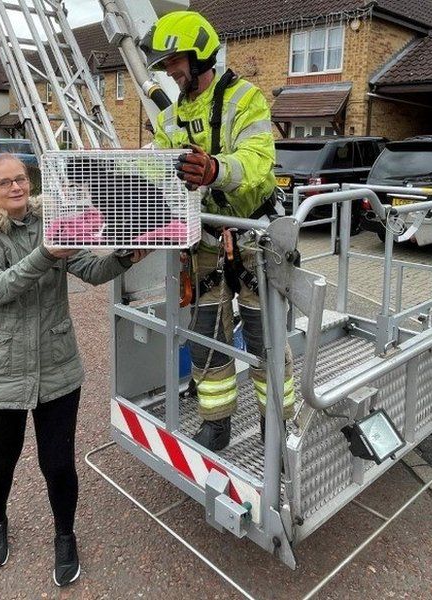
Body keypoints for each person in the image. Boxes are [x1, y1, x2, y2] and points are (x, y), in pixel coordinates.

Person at [0, 155, 147, 586]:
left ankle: (65, 535)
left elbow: (89, 270)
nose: (16, 187)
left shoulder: (49, 221)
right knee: (1, 460)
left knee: (58, 464)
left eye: (21, 178)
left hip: (57, 365)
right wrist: (44, 254)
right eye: (4, 183)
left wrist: (127, 257)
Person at [141, 11, 294, 452]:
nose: (169, 71)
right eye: (165, 64)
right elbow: (156, 166)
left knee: (265, 337)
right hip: (206, 242)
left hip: (254, 239)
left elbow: (257, 161)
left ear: (201, 53)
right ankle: (216, 424)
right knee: (208, 335)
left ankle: (277, 427)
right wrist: (101, 172)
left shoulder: (245, 98)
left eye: (174, 60)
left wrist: (214, 169)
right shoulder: (172, 118)